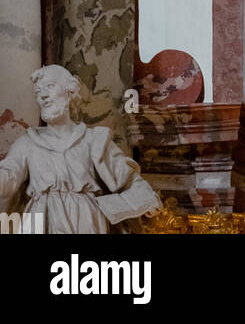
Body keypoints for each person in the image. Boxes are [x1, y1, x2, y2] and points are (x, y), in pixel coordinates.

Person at [0, 66, 159, 234]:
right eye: (38, 92)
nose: (43, 96)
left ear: (69, 91)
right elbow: (8, 178)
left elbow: (127, 177)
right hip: (40, 223)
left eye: (50, 86)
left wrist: (145, 199)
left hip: (86, 221)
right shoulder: (27, 143)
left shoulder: (93, 140)